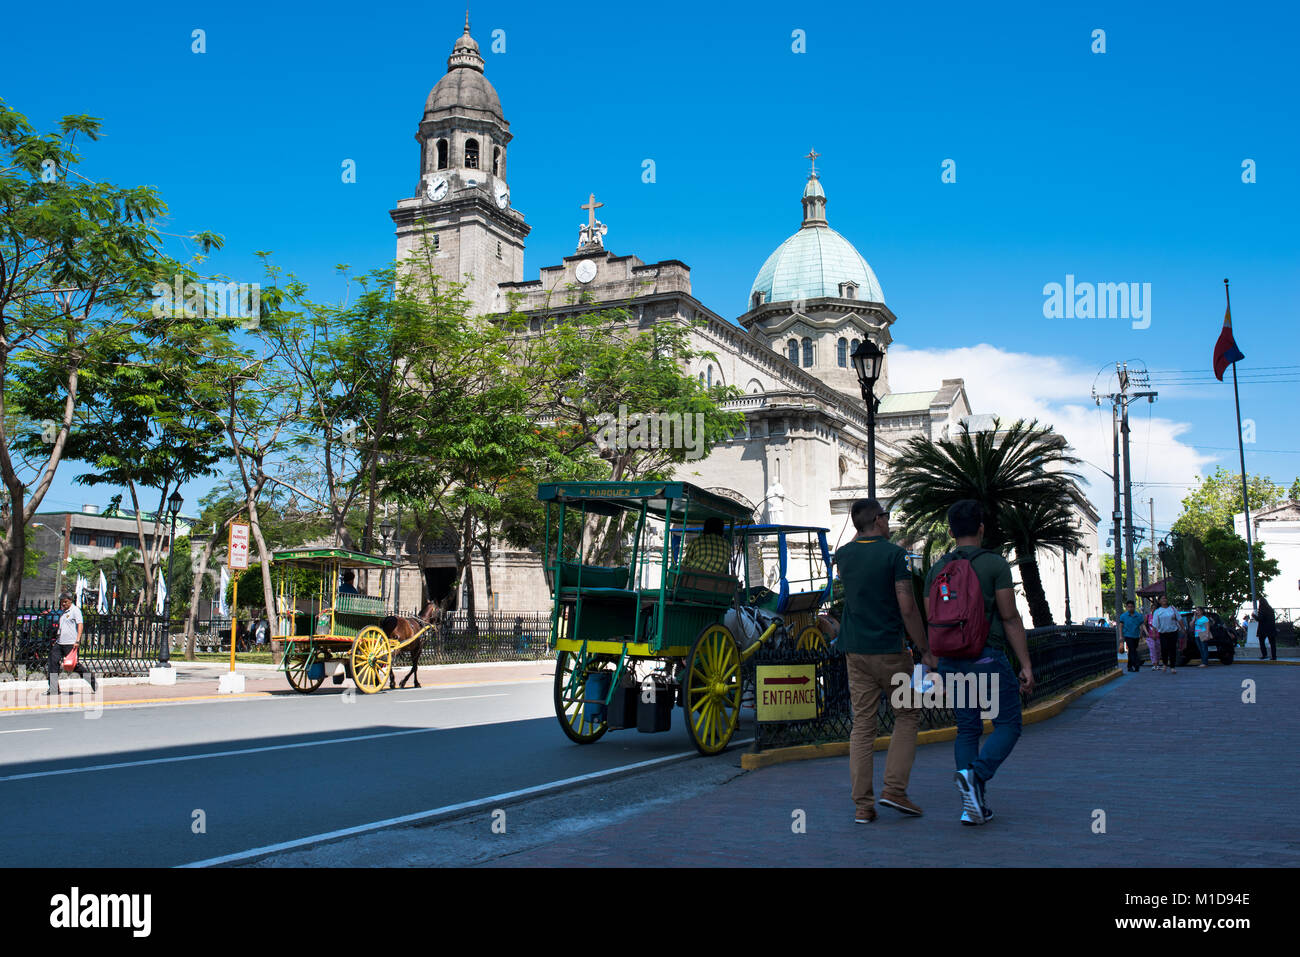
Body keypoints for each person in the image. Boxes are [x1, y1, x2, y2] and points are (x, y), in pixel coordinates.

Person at [924, 500, 1034, 826]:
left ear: (950, 531)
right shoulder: (994, 565)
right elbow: (1010, 616)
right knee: (1009, 725)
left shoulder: (936, 569)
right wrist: (1025, 664)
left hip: (950, 661)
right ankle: (976, 775)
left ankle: (972, 805)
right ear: (981, 528)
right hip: (987, 659)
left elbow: (932, 616)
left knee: (967, 729)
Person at [830, 498, 932, 823]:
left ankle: (863, 805)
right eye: (886, 517)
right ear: (877, 519)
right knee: (908, 713)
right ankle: (894, 789)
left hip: (854, 651)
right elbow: (907, 606)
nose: (889, 522)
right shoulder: (894, 554)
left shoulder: (843, 555)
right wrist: (924, 647)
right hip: (889, 649)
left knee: (862, 725)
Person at [44, 592, 97, 696]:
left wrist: (77, 640)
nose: (63, 604)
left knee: (73, 666)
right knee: (52, 663)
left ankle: (91, 680)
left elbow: (80, 625)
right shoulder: (62, 613)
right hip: (59, 643)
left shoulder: (75, 611)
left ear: (70, 601)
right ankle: (54, 689)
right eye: (62, 602)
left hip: (70, 643)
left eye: (65, 602)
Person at [1152, 595, 1181, 674]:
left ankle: (1172, 666)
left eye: (1165, 598)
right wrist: (1154, 633)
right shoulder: (1157, 611)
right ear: (1159, 601)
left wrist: (1183, 629)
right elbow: (1154, 624)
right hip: (1163, 633)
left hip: (1173, 632)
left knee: (1172, 649)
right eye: (1162, 599)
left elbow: (1179, 619)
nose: (1164, 600)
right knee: (1164, 649)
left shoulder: (1172, 609)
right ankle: (1165, 663)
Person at [1118, 600, 1145, 672]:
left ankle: (1129, 666)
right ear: (1126, 607)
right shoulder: (1123, 616)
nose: (1130, 608)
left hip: (1136, 635)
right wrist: (1121, 636)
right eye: (1129, 607)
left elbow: (1141, 625)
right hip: (1128, 635)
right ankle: (1136, 664)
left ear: (1134, 607)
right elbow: (1120, 626)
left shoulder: (1138, 615)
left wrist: (1141, 633)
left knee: (1132, 650)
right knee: (1132, 649)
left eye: (1132, 607)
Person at [1143, 600, 1162, 671]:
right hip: (1150, 636)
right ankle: (1154, 664)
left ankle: (1157, 663)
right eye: (1153, 608)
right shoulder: (1148, 616)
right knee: (1152, 649)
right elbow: (1144, 625)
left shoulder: (1159, 617)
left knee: (1158, 650)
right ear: (1151, 609)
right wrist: (1146, 632)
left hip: (1158, 636)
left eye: (1155, 608)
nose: (1154, 609)